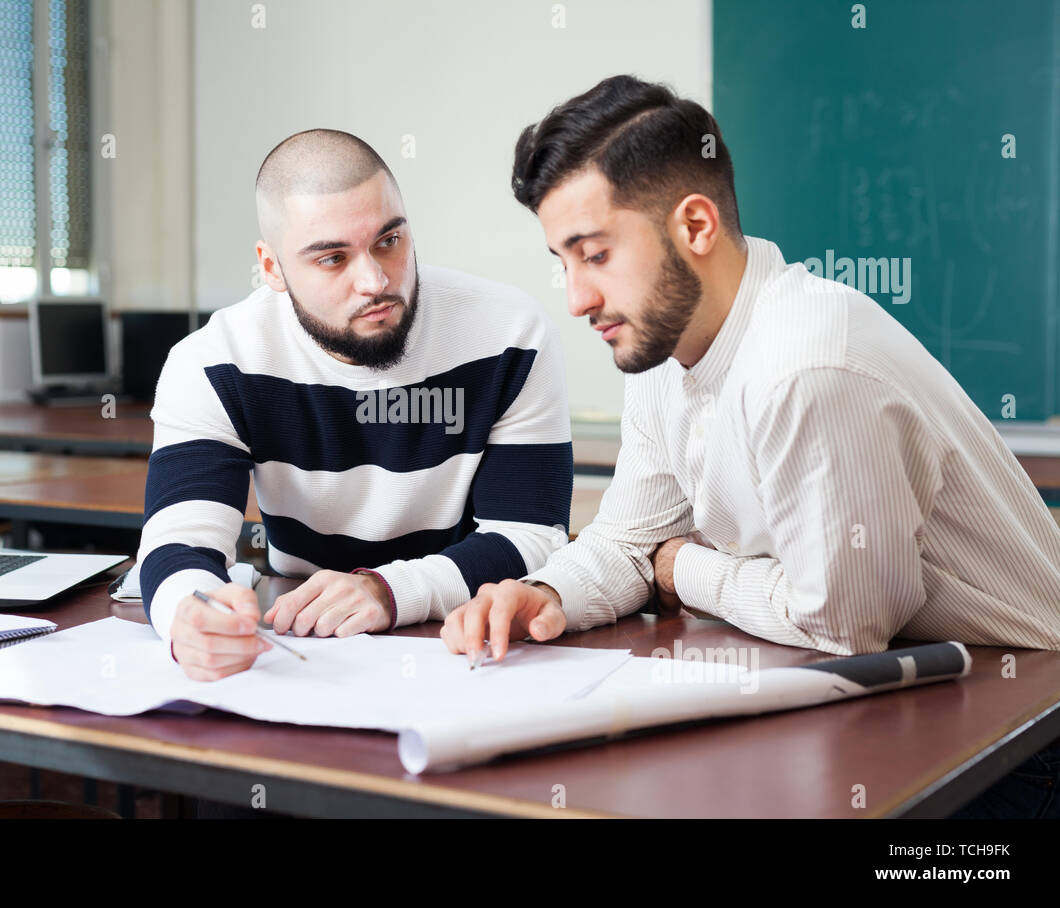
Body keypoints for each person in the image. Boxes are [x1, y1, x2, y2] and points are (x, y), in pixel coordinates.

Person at [439, 75, 1060, 818]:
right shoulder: (666, 345)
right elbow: (630, 539)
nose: (575, 298)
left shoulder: (807, 364)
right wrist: (543, 595)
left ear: (694, 227)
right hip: (903, 692)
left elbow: (840, 622)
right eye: (562, 261)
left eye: (594, 255)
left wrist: (685, 566)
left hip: (1017, 727)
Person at [138, 128, 572, 682]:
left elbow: (532, 536)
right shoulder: (215, 362)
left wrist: (389, 591)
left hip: (464, 637)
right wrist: (189, 620)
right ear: (271, 268)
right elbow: (179, 543)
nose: (375, 281)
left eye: (389, 241)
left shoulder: (510, 333)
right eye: (332, 259)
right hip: (304, 638)